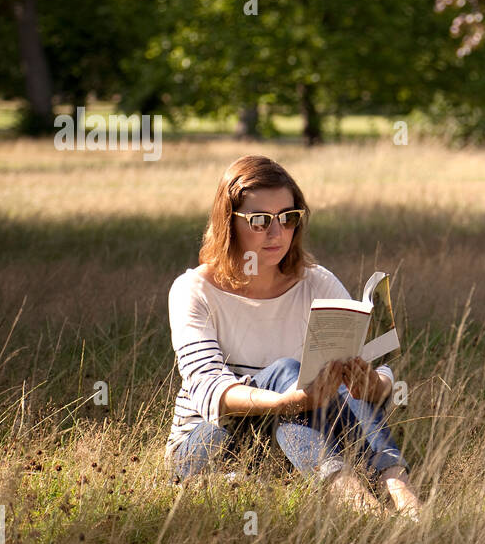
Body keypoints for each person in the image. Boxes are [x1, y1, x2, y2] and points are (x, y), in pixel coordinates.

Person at [163, 154, 423, 520]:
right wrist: (288, 400)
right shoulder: (194, 290)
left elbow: (374, 374)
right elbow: (210, 389)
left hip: (291, 443)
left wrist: (372, 385)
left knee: (346, 372)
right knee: (289, 370)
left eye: (288, 217)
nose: (276, 232)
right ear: (228, 223)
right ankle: (361, 507)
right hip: (209, 446)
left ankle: (400, 489)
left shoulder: (315, 282)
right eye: (259, 220)